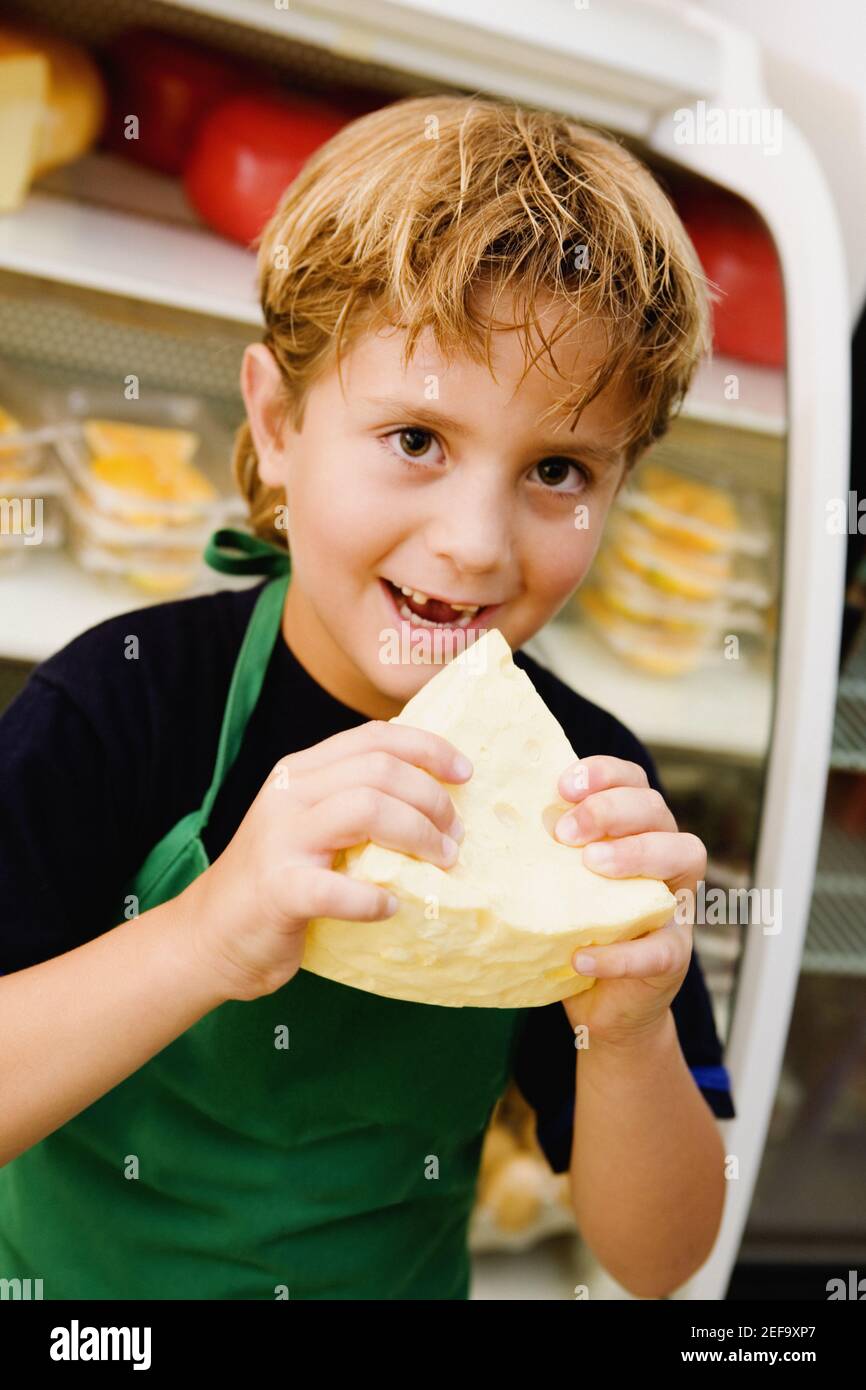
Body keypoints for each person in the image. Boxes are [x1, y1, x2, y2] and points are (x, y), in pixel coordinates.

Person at [0, 94, 735, 1300]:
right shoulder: (121, 706)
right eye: (415, 438)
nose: (473, 544)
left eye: (556, 470)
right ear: (279, 423)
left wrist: (629, 1023)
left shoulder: (589, 791)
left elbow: (658, 1256)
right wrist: (206, 931)